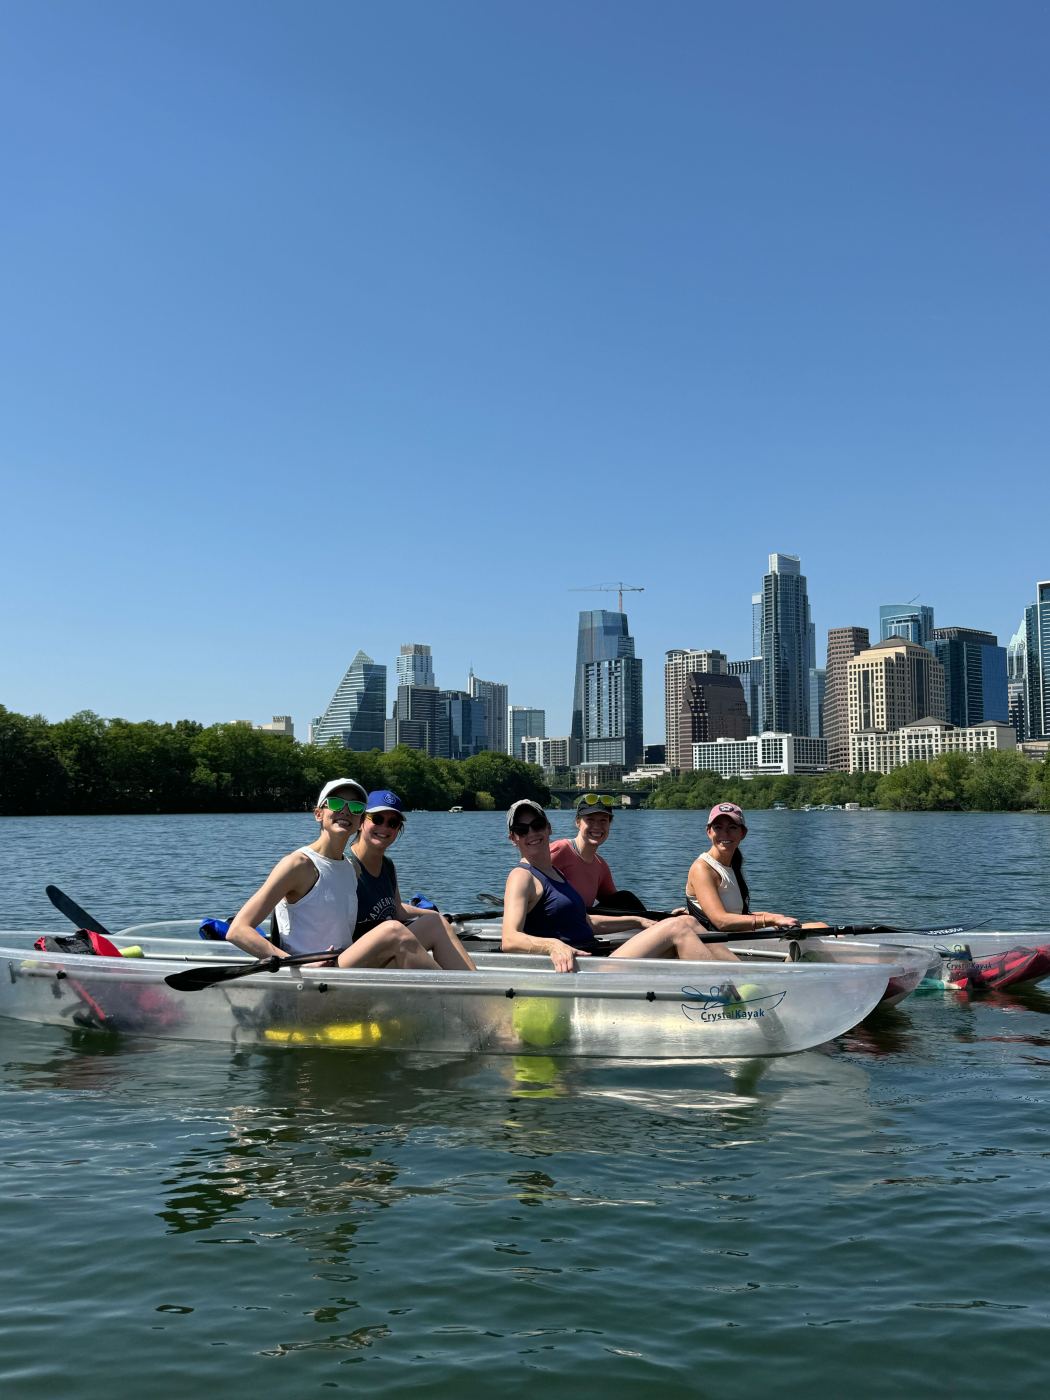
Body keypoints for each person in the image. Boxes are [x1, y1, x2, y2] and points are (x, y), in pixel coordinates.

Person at [226, 780, 457, 970]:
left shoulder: (351, 868)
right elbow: (238, 931)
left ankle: (478, 996)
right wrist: (297, 964)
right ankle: (464, 1007)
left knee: (431, 923)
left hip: (345, 967)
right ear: (318, 813)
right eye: (336, 803)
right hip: (311, 977)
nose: (345, 811)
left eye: (355, 807)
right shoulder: (298, 864)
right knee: (392, 931)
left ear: (359, 821)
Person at [501, 799, 736, 972]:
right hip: (583, 970)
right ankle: (727, 997)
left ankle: (747, 977)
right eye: (522, 830)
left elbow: (587, 921)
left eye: (537, 824)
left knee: (687, 921)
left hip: (595, 956)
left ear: (548, 827)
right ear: (513, 838)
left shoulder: (557, 874)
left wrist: (637, 920)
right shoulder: (522, 876)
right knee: (677, 929)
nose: (532, 832)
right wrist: (553, 945)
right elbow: (509, 939)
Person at [348, 789, 476, 971]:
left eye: (392, 823)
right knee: (398, 934)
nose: (384, 828)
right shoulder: (346, 867)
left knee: (436, 923)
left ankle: (475, 988)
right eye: (377, 819)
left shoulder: (388, 866)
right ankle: (461, 995)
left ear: (398, 829)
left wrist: (437, 915)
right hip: (356, 959)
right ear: (361, 821)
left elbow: (398, 909)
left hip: (387, 948)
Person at [686, 802, 827, 935]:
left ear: (743, 833)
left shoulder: (732, 865)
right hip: (723, 944)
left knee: (822, 926)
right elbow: (721, 921)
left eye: (732, 827)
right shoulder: (702, 868)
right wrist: (769, 920)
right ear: (709, 832)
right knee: (823, 932)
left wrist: (771, 916)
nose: (725, 833)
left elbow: (739, 915)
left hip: (740, 936)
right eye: (718, 827)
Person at [549, 793, 657, 937]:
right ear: (578, 822)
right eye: (590, 820)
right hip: (558, 929)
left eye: (603, 821)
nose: (597, 826)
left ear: (609, 824)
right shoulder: (560, 850)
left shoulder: (600, 865)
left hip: (585, 923)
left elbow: (621, 906)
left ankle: (660, 923)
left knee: (625, 898)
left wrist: (659, 917)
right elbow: (526, 878)